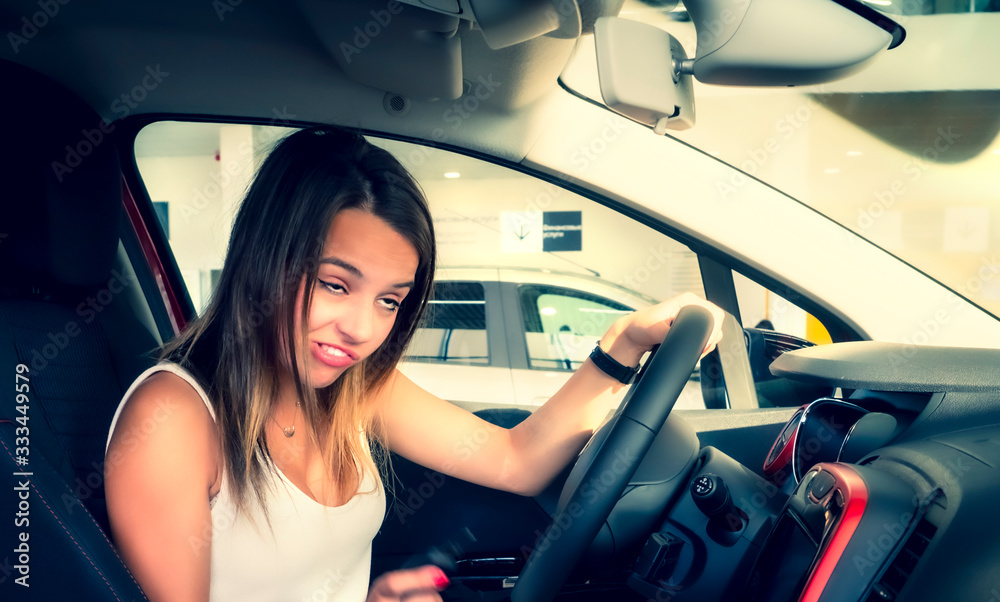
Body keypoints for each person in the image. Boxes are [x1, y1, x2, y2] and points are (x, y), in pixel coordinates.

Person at [104, 127, 724, 601]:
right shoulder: (175, 418)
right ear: (266, 260)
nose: (362, 330)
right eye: (335, 285)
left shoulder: (356, 389)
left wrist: (621, 344)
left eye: (389, 301)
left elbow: (517, 461)